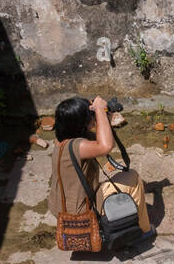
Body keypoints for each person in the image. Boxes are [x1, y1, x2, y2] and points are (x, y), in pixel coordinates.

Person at [48, 94, 153, 242]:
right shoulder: (78, 146)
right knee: (132, 177)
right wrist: (99, 110)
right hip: (79, 212)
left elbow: (101, 139)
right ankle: (141, 230)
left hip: (63, 207)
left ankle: (121, 220)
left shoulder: (64, 141)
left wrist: (103, 117)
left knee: (124, 181)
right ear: (81, 124)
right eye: (89, 117)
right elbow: (106, 146)